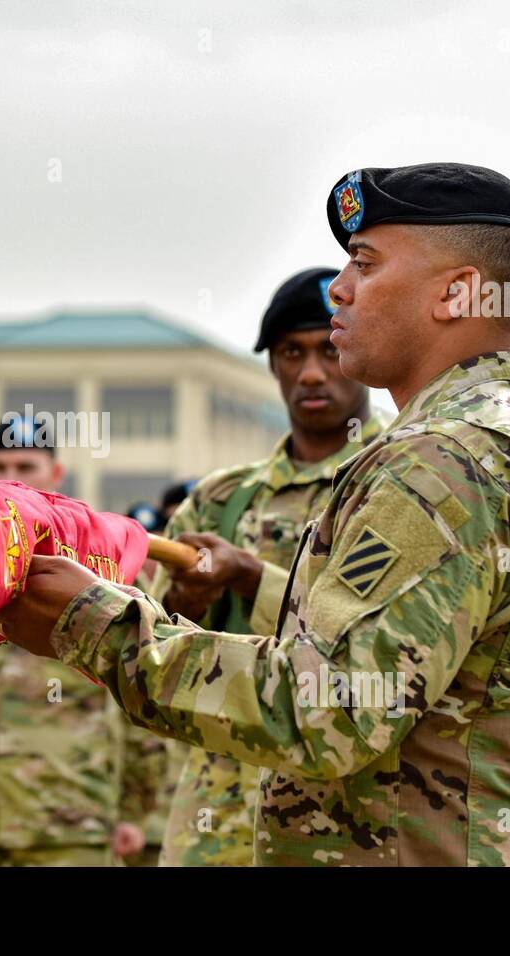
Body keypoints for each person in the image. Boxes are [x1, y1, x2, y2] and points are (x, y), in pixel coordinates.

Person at [0, 162, 510, 866]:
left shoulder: (445, 462)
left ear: (458, 292)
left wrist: (95, 621)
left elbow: (327, 711)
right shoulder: (476, 441)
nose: (340, 288)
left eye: (365, 264)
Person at [152, 266, 383, 866]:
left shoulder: (402, 484)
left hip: (353, 822)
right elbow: (147, 645)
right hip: (219, 814)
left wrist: (251, 577)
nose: (310, 372)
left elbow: (369, 645)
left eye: (327, 350)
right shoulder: (220, 500)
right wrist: (190, 601)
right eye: (290, 352)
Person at [0, 418, 156, 866]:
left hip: (70, 821)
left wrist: (135, 810)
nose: (10, 477)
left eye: (25, 465)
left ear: (55, 474)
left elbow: (138, 685)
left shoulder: (102, 568)